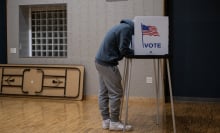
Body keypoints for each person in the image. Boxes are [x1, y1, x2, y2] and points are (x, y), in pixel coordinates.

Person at [95, 19, 134, 131]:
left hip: (99, 61)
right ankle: (115, 122)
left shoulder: (120, 27)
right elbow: (124, 49)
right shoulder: (127, 29)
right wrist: (136, 51)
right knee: (116, 92)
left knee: (103, 92)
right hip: (107, 63)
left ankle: (106, 121)